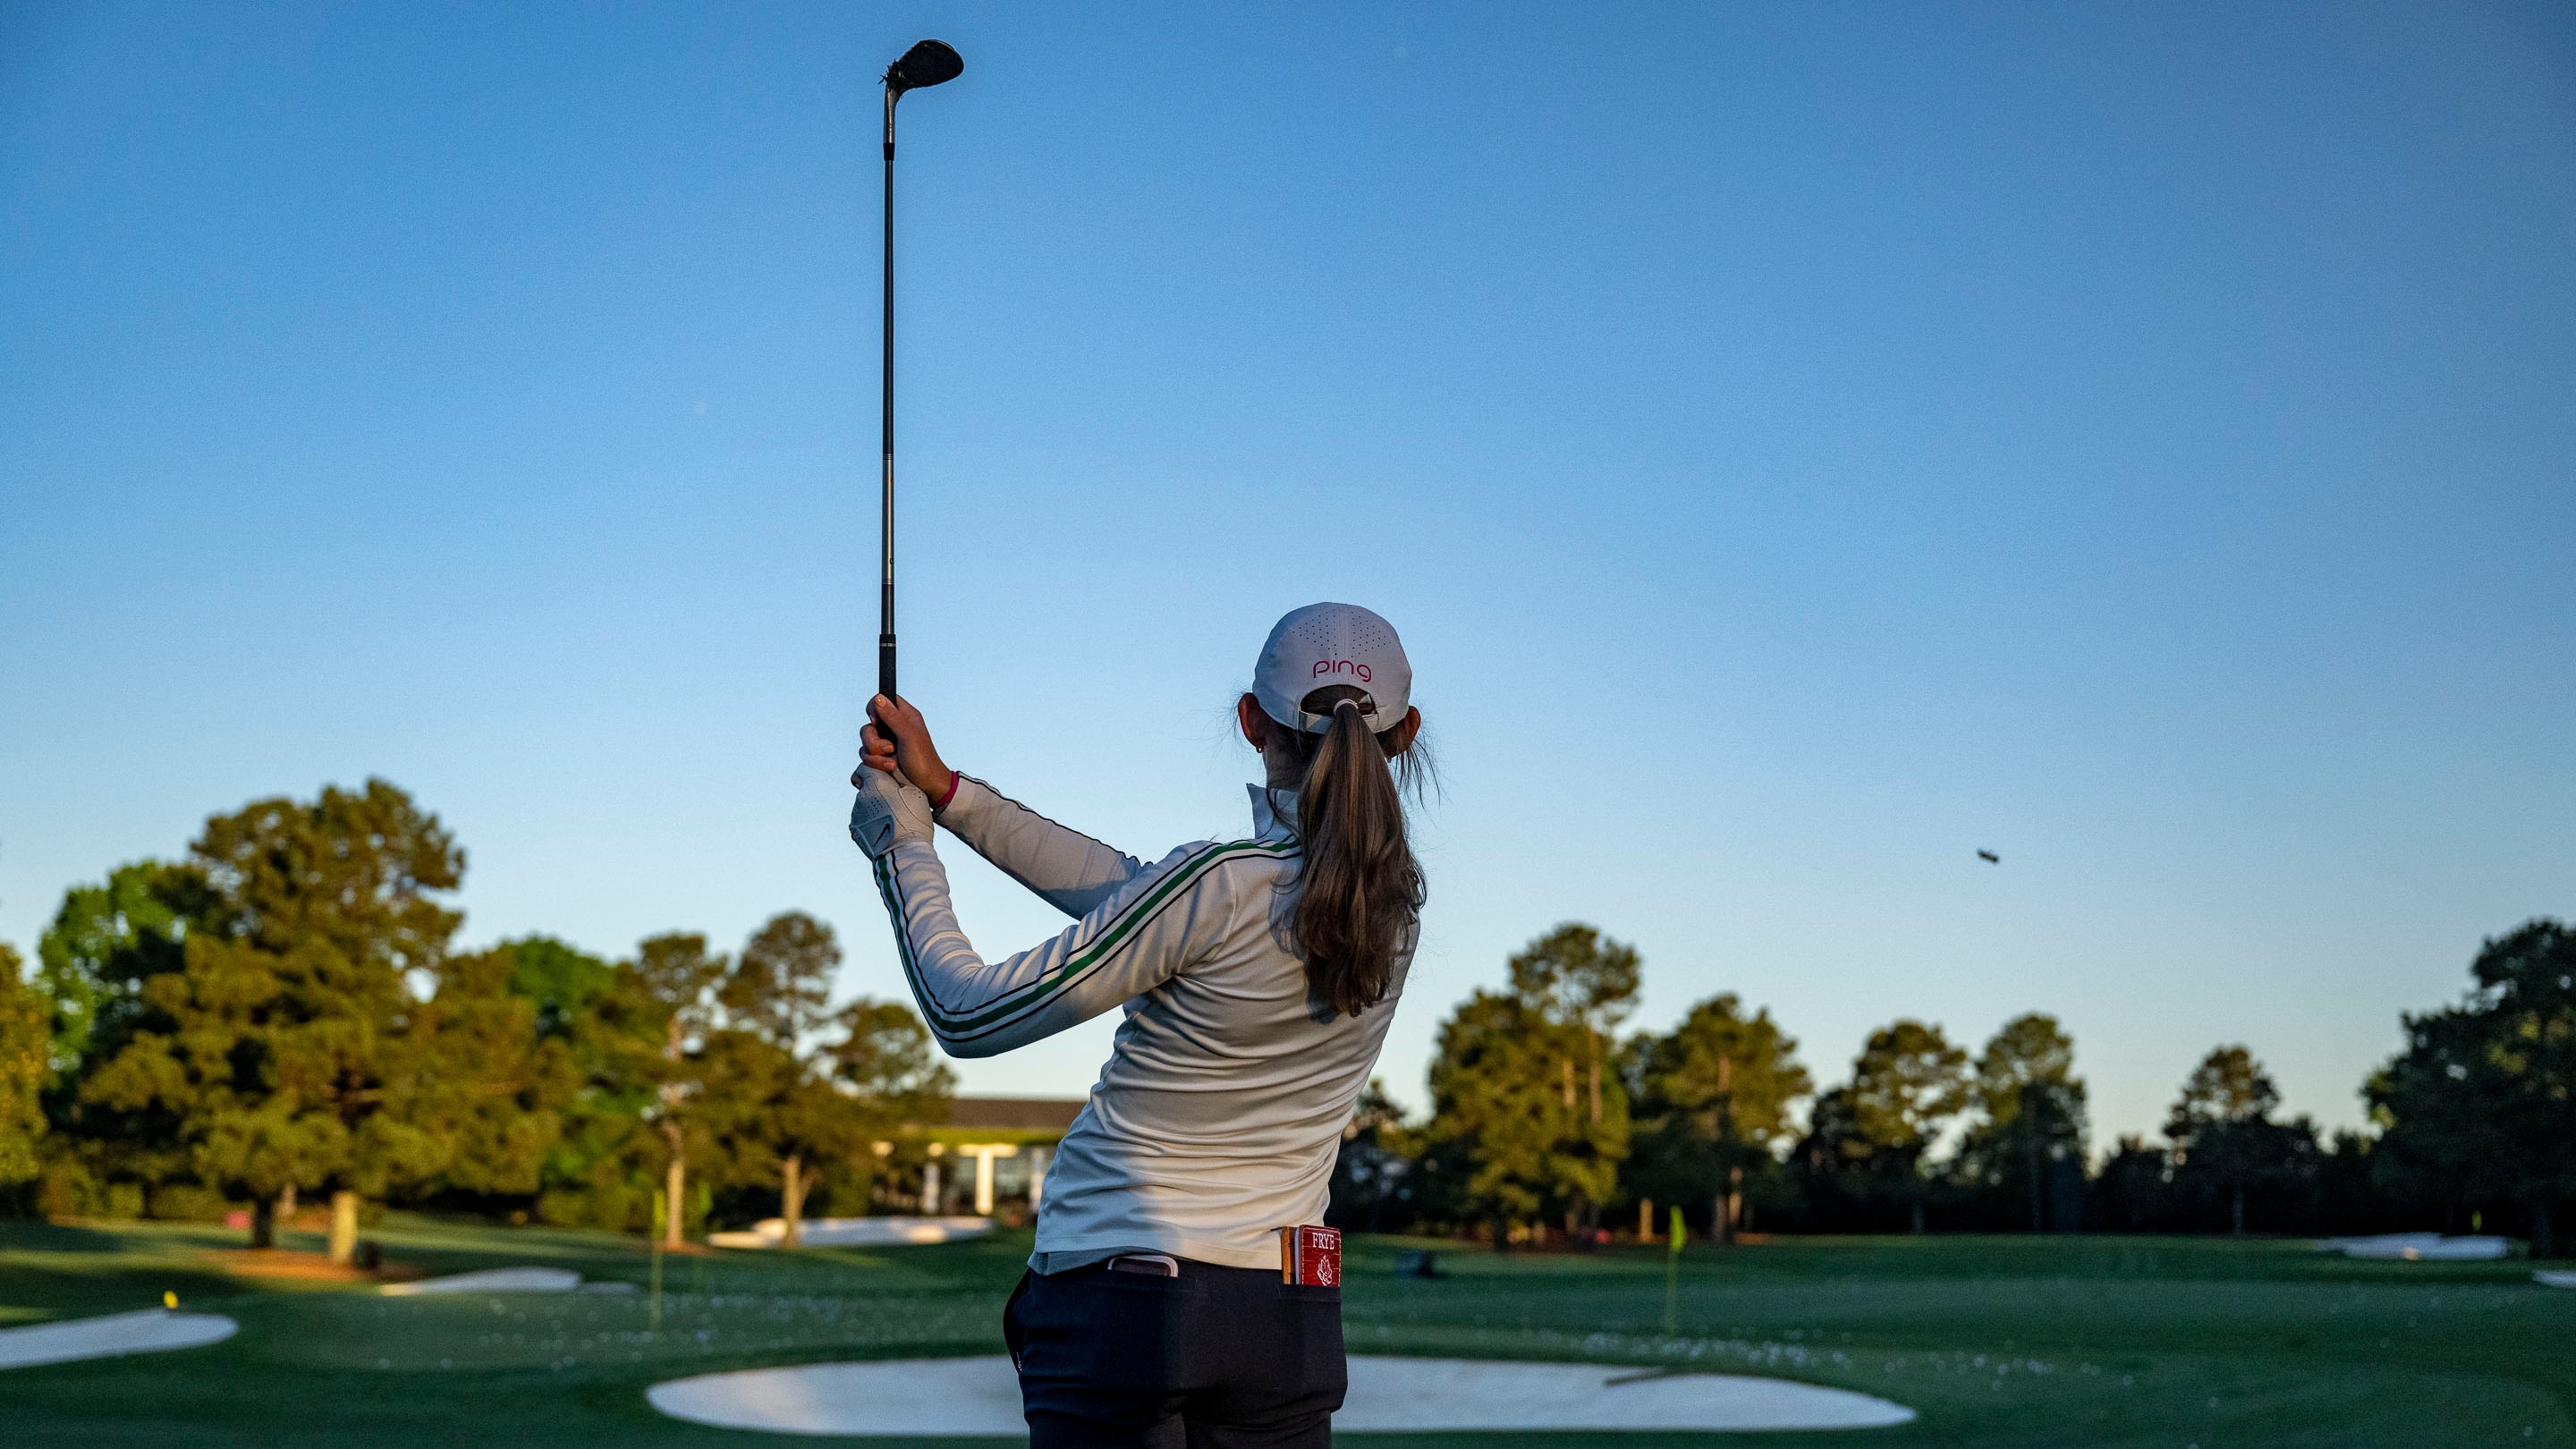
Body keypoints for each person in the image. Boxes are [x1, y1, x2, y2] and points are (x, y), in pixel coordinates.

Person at [847, 601, 1429, 1449]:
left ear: (1250, 720)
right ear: (1405, 734)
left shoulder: (1219, 883)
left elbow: (964, 1014)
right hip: (1288, 1317)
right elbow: (1137, 895)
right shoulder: (1395, 912)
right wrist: (948, 794)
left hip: (1125, 1308)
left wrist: (901, 844)